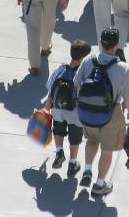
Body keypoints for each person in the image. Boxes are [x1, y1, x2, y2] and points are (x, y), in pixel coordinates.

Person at [74, 28, 129, 196]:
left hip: (87, 111)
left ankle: (87, 170)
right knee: (107, 150)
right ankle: (100, 184)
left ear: (100, 42)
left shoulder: (88, 60)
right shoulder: (123, 68)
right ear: (117, 45)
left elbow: (76, 83)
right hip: (111, 113)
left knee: (92, 140)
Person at [45, 40, 91, 176]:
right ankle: (73, 163)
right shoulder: (83, 73)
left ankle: (59, 152)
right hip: (74, 111)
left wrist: (47, 107)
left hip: (57, 109)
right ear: (83, 58)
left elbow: (50, 88)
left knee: (58, 130)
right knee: (75, 136)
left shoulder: (60, 69)